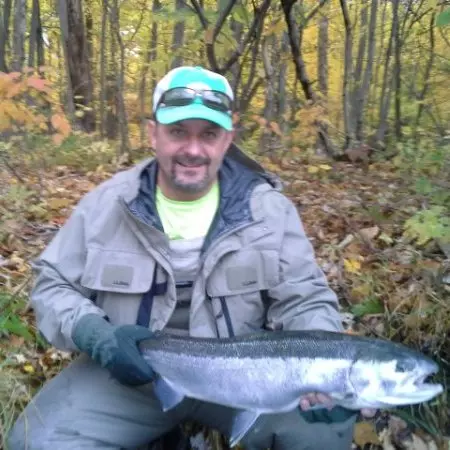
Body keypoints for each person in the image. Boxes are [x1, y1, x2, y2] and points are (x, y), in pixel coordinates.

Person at [7, 66, 374, 450]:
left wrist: (325, 369)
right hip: (132, 374)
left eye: (209, 134)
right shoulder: (105, 206)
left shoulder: (268, 211)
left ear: (228, 138)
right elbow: (52, 284)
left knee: (321, 434)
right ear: (153, 133)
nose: (193, 150)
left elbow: (306, 296)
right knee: (37, 441)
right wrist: (96, 335)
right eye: (178, 131)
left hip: (248, 378)